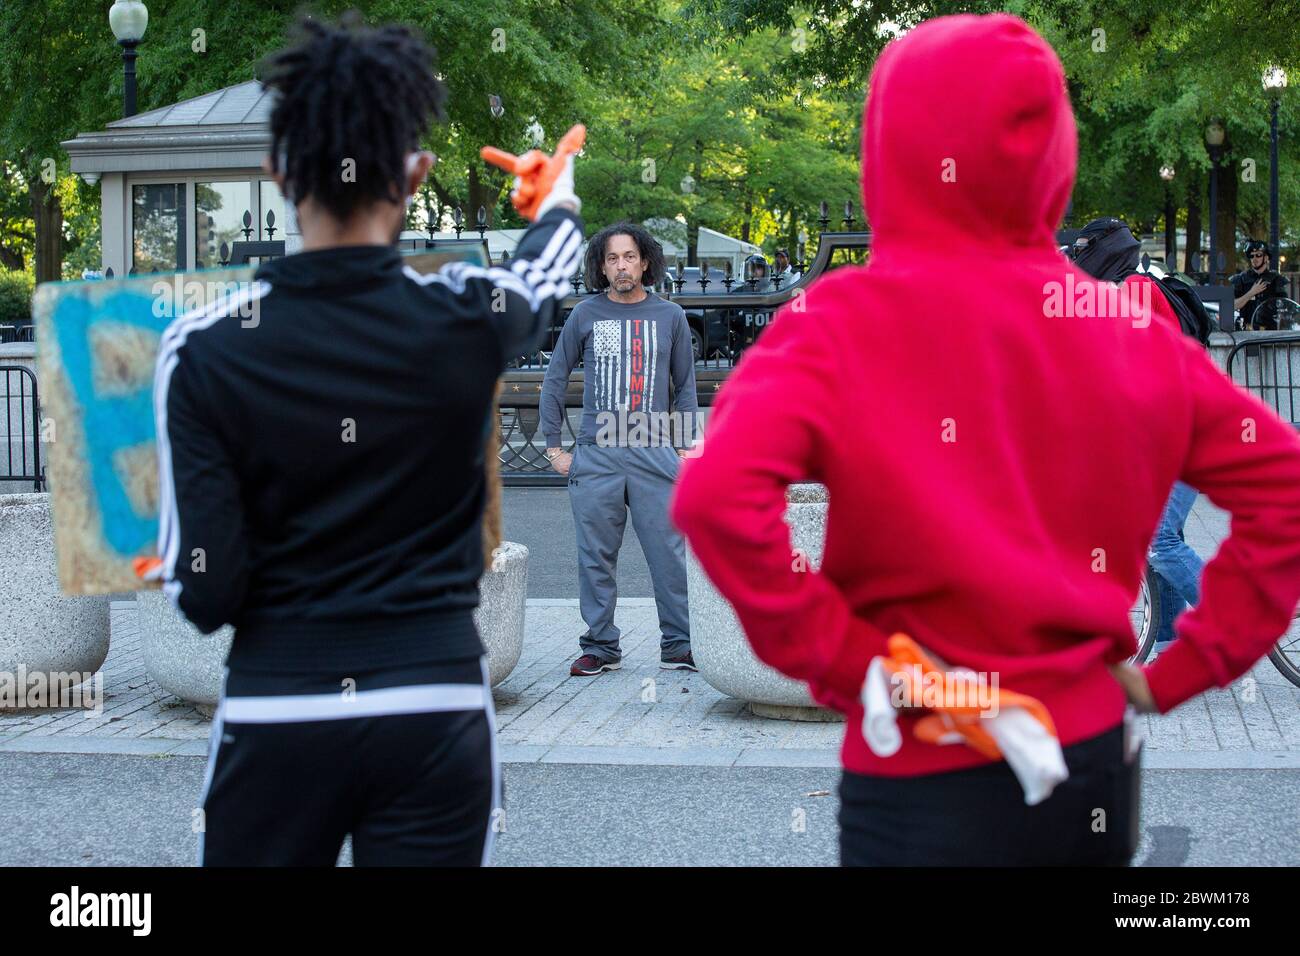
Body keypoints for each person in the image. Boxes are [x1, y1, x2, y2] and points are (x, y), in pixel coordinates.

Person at [672, 13, 1300, 866]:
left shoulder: (833, 324)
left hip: (914, 749)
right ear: (1055, 155)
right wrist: (1184, 669)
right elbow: (1282, 487)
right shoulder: (1123, 324)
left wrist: (846, 658)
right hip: (1083, 748)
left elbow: (715, 496)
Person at [150, 13, 583, 865]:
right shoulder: (466, 315)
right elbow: (543, 272)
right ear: (415, 175)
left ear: (278, 171)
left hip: (278, 713)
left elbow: (204, 595)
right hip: (437, 706)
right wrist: (557, 197)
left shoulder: (204, 350)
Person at [541, 223, 699, 676]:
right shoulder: (585, 315)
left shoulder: (669, 316)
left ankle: (679, 643)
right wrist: (555, 449)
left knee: (668, 553)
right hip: (597, 450)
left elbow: (685, 386)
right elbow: (555, 380)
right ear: (602, 266)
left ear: (645, 261)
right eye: (612, 259)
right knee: (595, 555)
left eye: (629, 257)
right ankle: (600, 646)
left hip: (655, 449)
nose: (621, 266)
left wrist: (687, 451)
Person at [1070, 217, 1206, 656]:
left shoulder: (1133, 292)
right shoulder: (1137, 284)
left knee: (1160, 541)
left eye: (1083, 251)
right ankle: (1166, 636)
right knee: (1158, 535)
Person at [1231, 240, 1288, 329]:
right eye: (1251, 256)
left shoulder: (1276, 279)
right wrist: (1251, 293)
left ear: (1266, 257)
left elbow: (1285, 308)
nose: (1254, 259)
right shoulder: (1241, 279)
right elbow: (1232, 306)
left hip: (1270, 332)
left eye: (1258, 255)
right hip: (1246, 332)